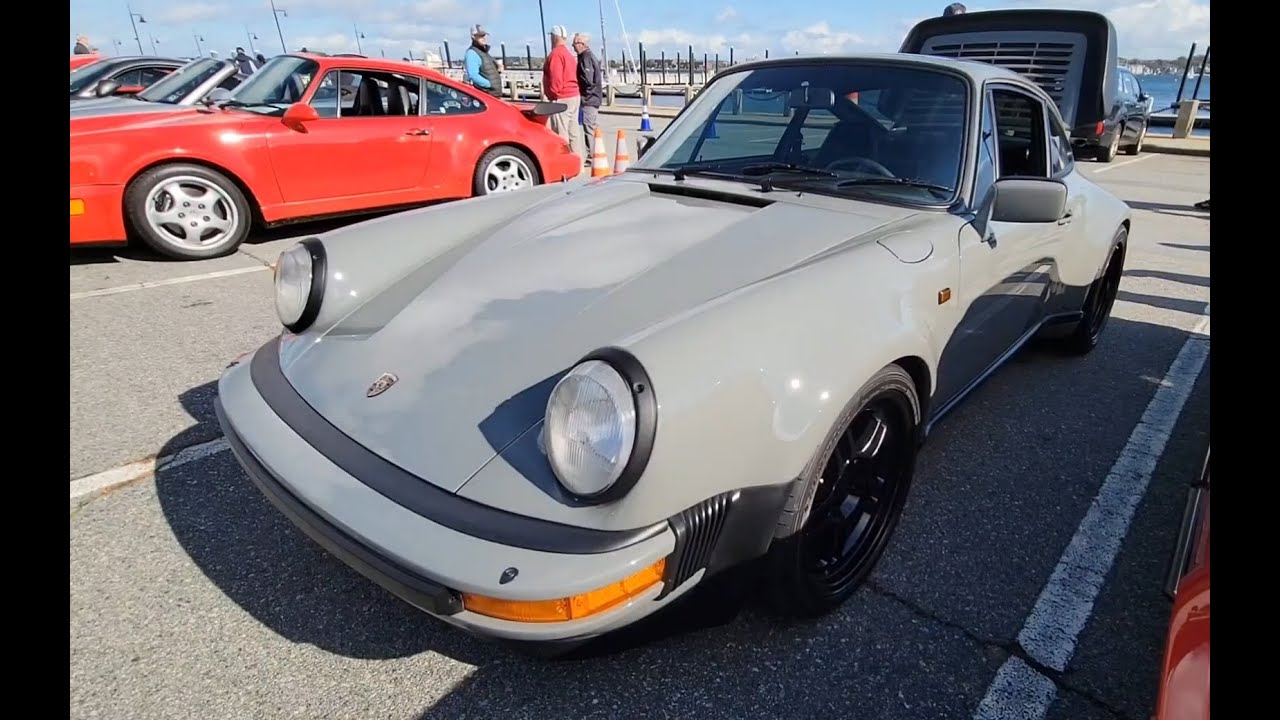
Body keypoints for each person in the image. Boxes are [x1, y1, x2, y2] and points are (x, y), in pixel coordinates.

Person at [542, 25, 582, 153]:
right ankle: (578, 161)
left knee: (561, 132)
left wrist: (553, 94)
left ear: (554, 37)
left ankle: (564, 162)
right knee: (573, 132)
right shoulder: (568, 54)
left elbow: (556, 79)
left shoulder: (556, 54)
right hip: (574, 95)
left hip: (562, 97)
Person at [573, 32, 603, 163]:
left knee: (589, 127)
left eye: (575, 43)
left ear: (582, 44)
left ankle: (592, 156)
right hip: (592, 97)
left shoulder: (586, 58)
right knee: (592, 127)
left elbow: (588, 80)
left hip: (590, 98)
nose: (573, 46)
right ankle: (596, 152)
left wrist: (582, 93)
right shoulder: (586, 56)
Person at [464, 24, 503, 97]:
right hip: (486, 94)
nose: (484, 38)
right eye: (480, 36)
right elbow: (473, 75)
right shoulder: (471, 53)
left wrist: (498, 70)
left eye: (484, 35)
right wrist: (489, 84)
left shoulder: (484, 52)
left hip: (493, 94)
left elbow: (487, 71)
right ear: (473, 37)